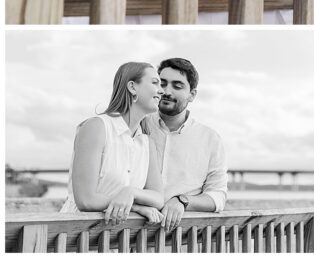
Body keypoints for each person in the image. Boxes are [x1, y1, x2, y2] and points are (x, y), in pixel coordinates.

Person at [62, 62, 164, 224]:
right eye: (154, 83)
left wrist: (131, 193)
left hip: (117, 239)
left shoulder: (147, 142)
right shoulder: (96, 127)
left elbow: (158, 198)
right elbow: (85, 200)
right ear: (132, 87)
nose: (162, 90)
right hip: (78, 234)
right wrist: (135, 207)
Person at [141, 58, 228, 232]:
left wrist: (182, 201)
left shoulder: (210, 139)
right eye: (162, 83)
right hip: (132, 236)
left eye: (177, 86)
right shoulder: (138, 126)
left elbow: (218, 196)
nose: (167, 91)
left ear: (192, 95)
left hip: (181, 239)